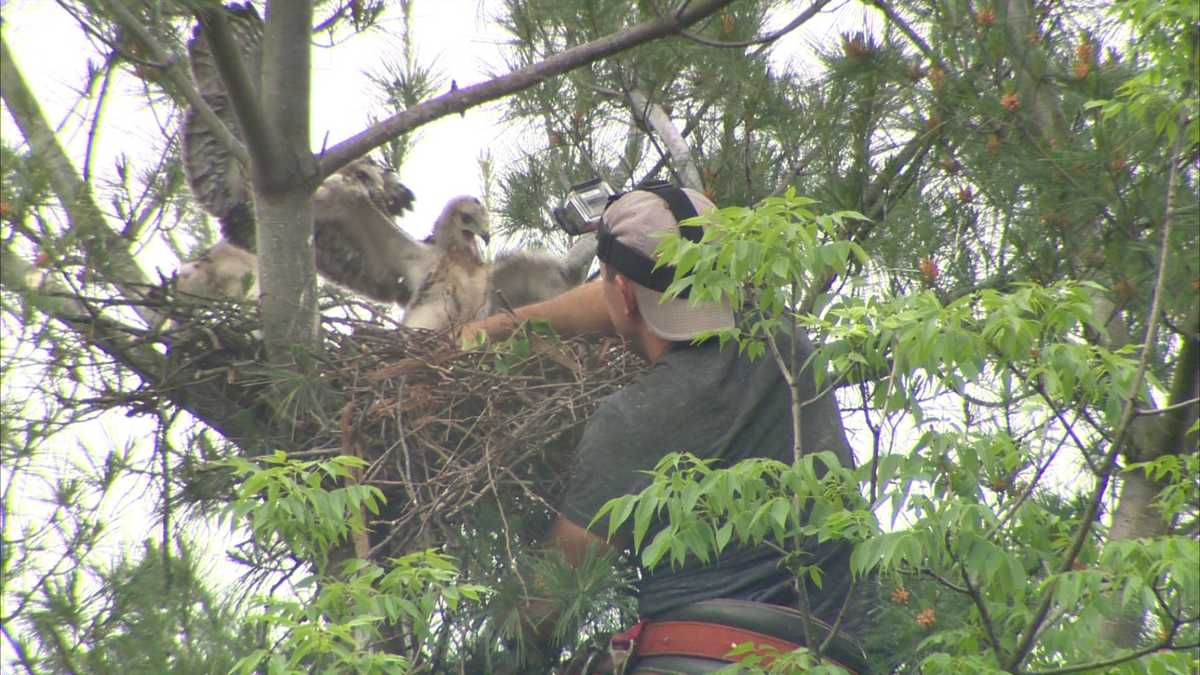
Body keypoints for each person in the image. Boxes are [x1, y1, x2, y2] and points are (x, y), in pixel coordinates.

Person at [461, 186, 873, 673]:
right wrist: (502, 326)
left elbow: (548, 602)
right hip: (841, 655)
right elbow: (630, 295)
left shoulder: (635, 420)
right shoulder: (784, 339)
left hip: (699, 660)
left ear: (624, 295)